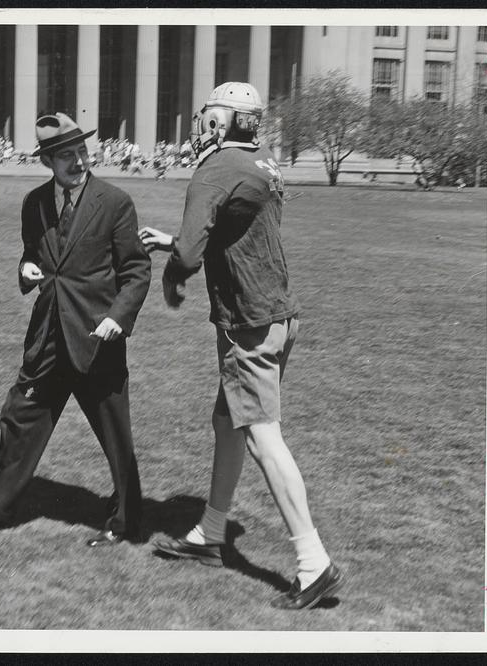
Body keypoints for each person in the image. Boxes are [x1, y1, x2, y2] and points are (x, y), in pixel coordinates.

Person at [139, 82, 343, 610]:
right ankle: (210, 533)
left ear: (221, 121)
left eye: (208, 115)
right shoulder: (263, 164)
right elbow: (235, 229)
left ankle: (312, 562)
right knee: (226, 422)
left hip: (248, 321)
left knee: (261, 436)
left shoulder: (215, 169)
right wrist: (178, 243)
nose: (200, 122)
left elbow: (189, 251)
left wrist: (173, 272)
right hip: (279, 314)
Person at [0, 112, 151, 547]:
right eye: (66, 157)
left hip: (97, 338)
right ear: (49, 163)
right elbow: (32, 256)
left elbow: (136, 269)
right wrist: (25, 269)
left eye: (81, 152)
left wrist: (118, 318)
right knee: (20, 417)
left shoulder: (114, 202)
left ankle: (127, 520)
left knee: (115, 433)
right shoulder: (35, 204)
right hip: (47, 337)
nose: (78, 163)